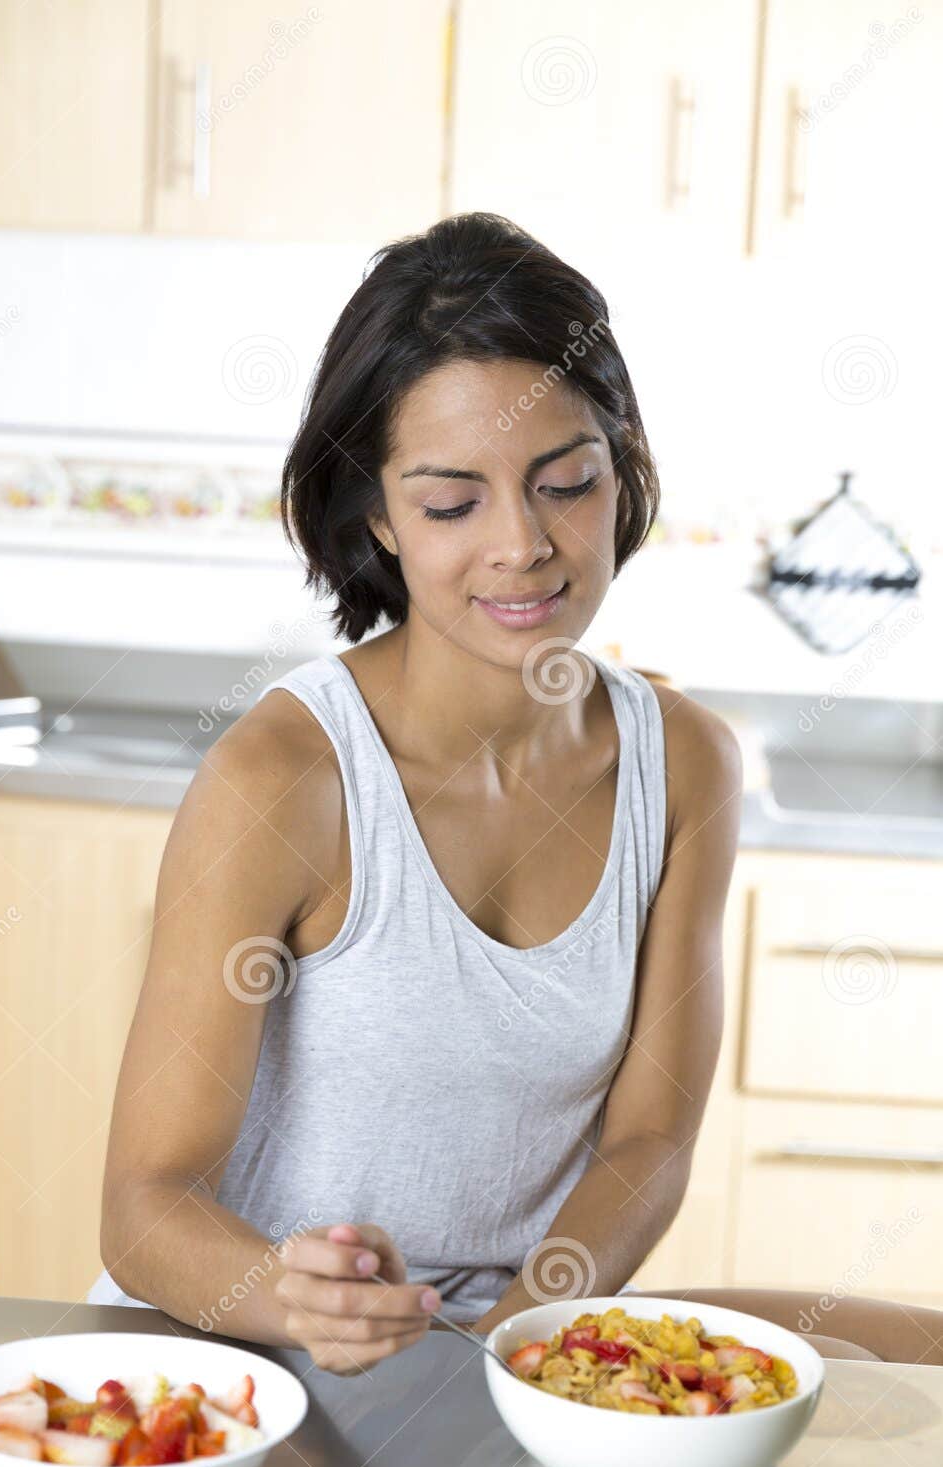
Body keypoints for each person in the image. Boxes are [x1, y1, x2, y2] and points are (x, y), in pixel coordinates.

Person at [89, 212, 942, 1374]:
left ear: (620, 468)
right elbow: (145, 1206)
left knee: (909, 1356)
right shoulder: (282, 779)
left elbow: (646, 1140)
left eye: (566, 483)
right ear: (378, 515)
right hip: (245, 1361)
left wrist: (508, 1342)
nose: (523, 545)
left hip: (514, 1350)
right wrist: (301, 1305)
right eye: (452, 504)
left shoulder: (682, 764)